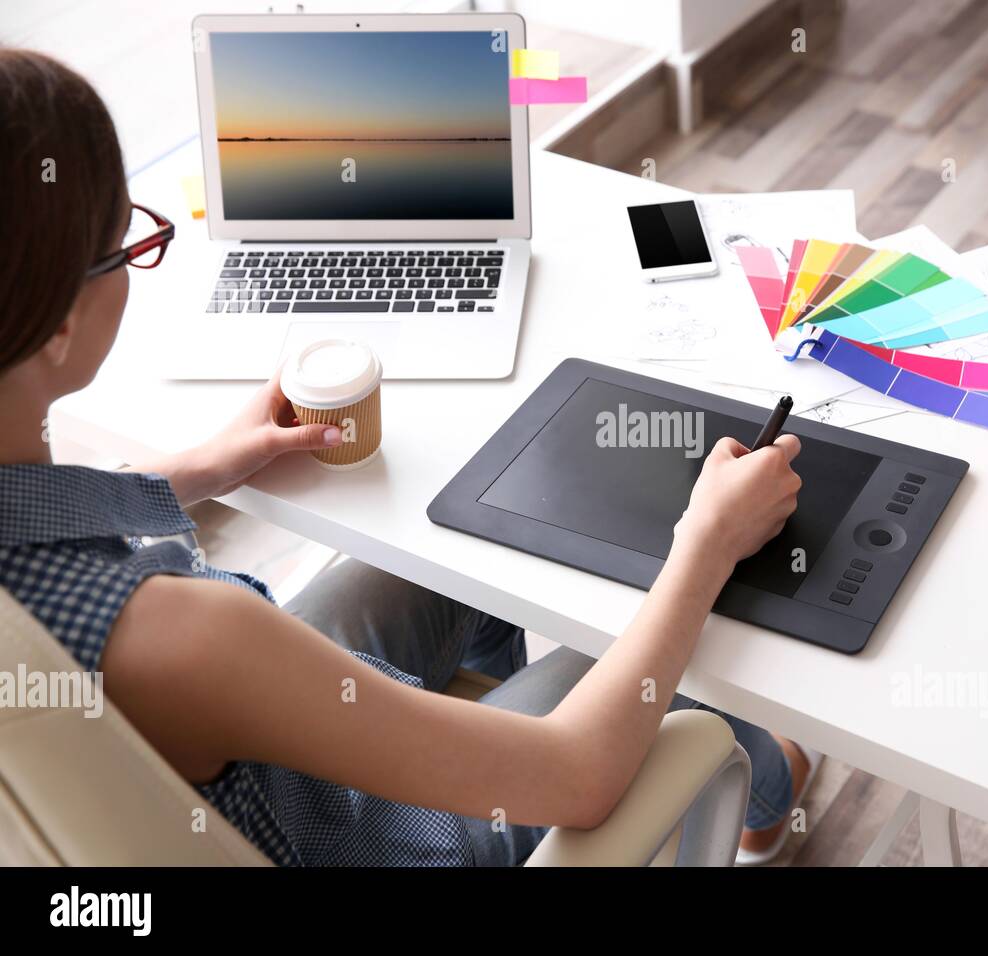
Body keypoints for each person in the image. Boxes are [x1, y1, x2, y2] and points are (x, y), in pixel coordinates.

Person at [0, 49, 814, 866]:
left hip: (237, 766)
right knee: (626, 640)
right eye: (126, 245)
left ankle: (490, 697)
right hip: (387, 842)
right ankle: (772, 785)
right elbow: (581, 771)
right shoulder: (185, 637)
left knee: (467, 530)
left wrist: (204, 465)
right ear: (60, 321)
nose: (138, 260)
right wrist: (705, 542)